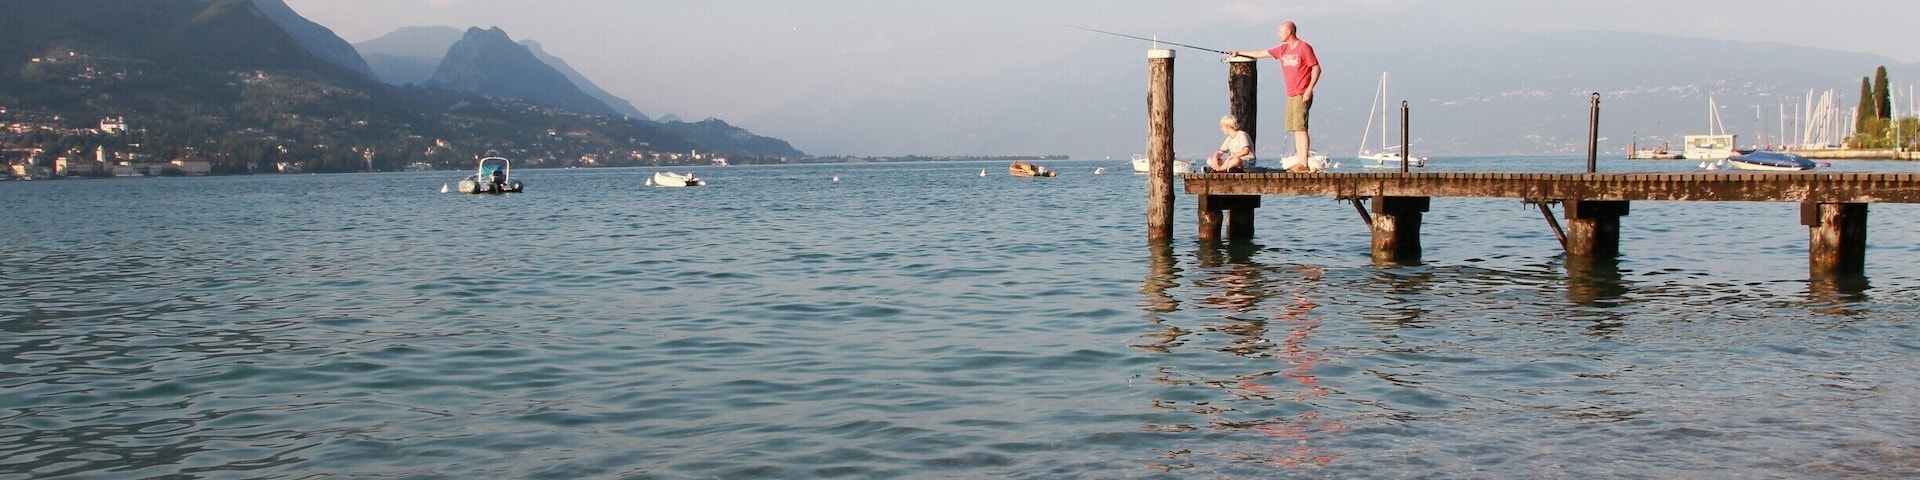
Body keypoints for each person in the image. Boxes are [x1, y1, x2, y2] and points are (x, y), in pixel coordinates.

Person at [1229, 21, 1321, 172]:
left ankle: (1304, 163)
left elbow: (1316, 68)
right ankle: (1300, 161)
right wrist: (1239, 52)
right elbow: (1261, 53)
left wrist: (1309, 89)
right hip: (1290, 94)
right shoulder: (1282, 49)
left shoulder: (1304, 47)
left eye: (1281, 31)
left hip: (1301, 92)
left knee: (1301, 127)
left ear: (1289, 31)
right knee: (1294, 128)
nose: (1278, 34)